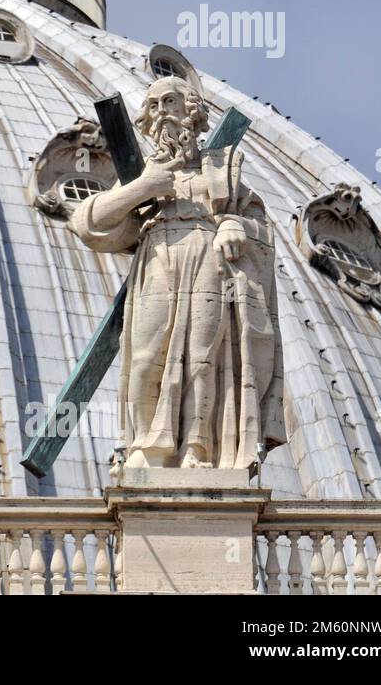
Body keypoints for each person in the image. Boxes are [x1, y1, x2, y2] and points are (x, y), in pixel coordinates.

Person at [68, 76, 285, 470]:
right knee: (146, 355)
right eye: (151, 106)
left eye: (169, 101)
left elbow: (261, 228)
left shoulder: (222, 171)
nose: (160, 113)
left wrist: (234, 225)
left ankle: (196, 449)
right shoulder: (141, 174)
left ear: (193, 112)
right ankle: (142, 449)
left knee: (203, 357)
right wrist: (144, 187)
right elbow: (89, 224)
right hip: (158, 263)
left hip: (209, 263)